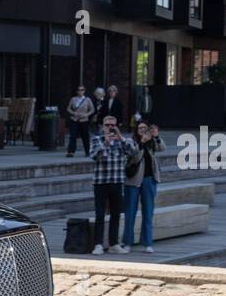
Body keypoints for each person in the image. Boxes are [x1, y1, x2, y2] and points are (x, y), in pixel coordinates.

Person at [87, 115, 137, 255]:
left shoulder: (122, 141)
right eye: (107, 125)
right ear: (102, 126)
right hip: (101, 182)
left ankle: (113, 243)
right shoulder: (97, 140)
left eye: (112, 125)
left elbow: (133, 152)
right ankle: (98, 244)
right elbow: (94, 156)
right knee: (100, 214)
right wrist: (107, 143)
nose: (109, 127)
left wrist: (120, 137)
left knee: (116, 214)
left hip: (116, 181)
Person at [123, 120, 166, 254]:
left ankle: (147, 243)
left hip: (149, 180)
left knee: (148, 212)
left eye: (145, 128)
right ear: (136, 130)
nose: (143, 130)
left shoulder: (152, 142)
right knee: (130, 213)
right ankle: (127, 242)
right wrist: (142, 142)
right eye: (140, 128)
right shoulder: (131, 142)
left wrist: (156, 136)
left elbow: (162, 148)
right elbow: (134, 156)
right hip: (133, 181)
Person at [65, 84, 95, 157]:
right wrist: (73, 113)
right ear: (77, 91)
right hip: (75, 119)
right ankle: (71, 151)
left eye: (82, 90)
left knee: (85, 136)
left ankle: (87, 151)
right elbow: (68, 108)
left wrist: (86, 114)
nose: (80, 91)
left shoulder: (87, 99)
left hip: (84, 120)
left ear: (84, 91)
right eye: (79, 90)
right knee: (73, 136)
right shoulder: (73, 99)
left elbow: (92, 109)